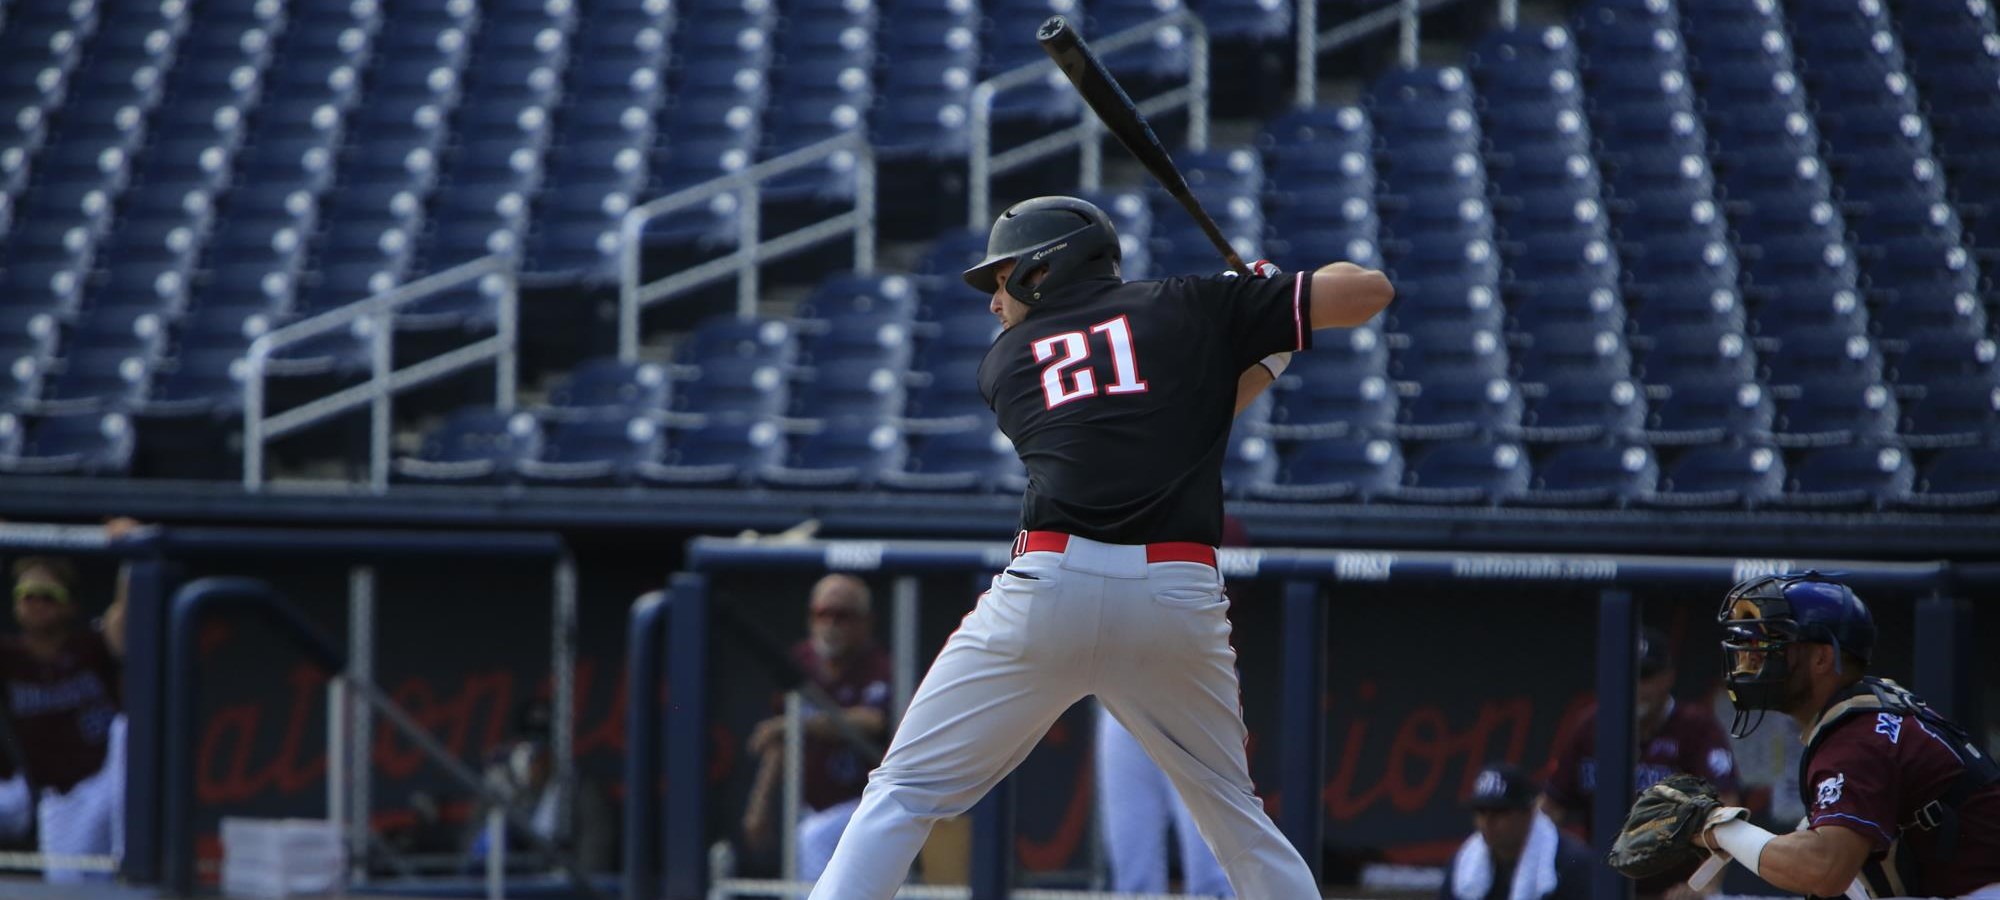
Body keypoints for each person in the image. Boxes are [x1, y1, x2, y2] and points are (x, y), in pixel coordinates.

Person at [805, 195, 1393, 899]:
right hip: (1176, 597)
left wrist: (1253, 327)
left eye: (1002, 278)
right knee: (1236, 820)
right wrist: (1264, 303)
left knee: (903, 792)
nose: (995, 303)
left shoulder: (1006, 363)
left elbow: (1176, 414)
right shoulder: (1192, 304)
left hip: (1050, 587)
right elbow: (1367, 292)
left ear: (1043, 269)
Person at [1684, 572, 2000, 898]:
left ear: (1822, 658)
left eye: (1771, 642)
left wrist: (1719, 826)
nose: (1751, 658)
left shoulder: (1857, 739)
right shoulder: (1865, 710)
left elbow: (1823, 870)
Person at [1093, 515, 1249, 897]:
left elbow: (1229, 582)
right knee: (1131, 866)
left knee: (1211, 865)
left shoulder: (1212, 515)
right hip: (1122, 687)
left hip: (1193, 685)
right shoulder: (1115, 510)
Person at [1542, 626, 1740, 899]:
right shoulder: (1591, 726)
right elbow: (1550, 809)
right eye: (1628, 676)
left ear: (1667, 677)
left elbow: (1727, 811)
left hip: (1676, 892)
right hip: (1604, 888)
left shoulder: (1695, 728)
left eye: (1645, 676)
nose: (1636, 687)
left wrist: (1704, 884)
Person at [741, 574, 892, 881]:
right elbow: (779, 743)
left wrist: (791, 725)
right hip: (813, 805)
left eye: (843, 616)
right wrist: (760, 803)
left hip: (866, 801)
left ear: (866, 622)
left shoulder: (879, 665)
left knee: (813, 838)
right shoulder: (801, 662)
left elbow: (873, 721)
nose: (831, 625)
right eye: (823, 614)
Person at [1, 542, 130, 883]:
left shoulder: (92, 644)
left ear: (70, 603)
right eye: (28, 593)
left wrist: (131, 553)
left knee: (127, 731)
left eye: (49, 594)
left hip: (107, 781)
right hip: (59, 797)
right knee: (67, 888)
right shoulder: (9, 656)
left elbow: (126, 617)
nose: (37, 603)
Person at [1441, 763, 1593, 900]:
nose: (1487, 822)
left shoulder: (1571, 864)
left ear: (1528, 813)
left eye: (1499, 812)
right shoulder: (1463, 863)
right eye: (1481, 812)